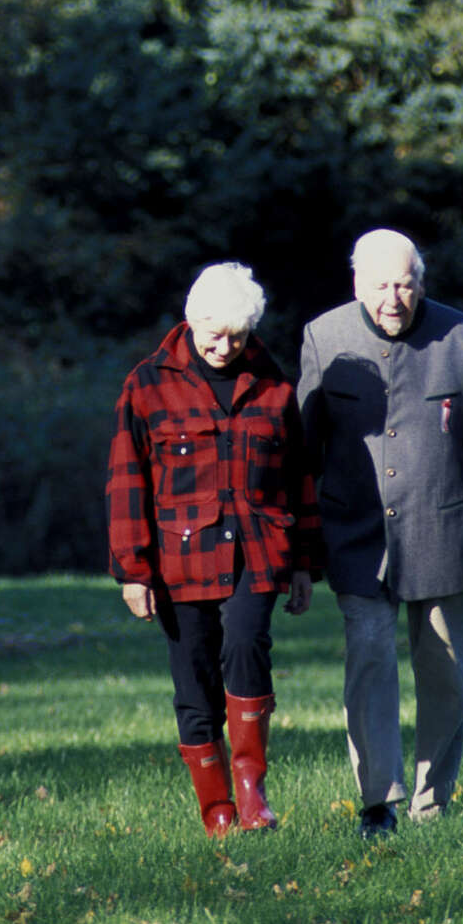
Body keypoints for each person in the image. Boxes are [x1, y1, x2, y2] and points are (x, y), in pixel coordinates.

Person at [297, 228, 463, 839]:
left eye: (405, 283)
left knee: (443, 670)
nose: (393, 297)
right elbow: (303, 448)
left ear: (421, 282)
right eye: (380, 285)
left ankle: (432, 800)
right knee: (369, 660)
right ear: (357, 284)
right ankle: (379, 802)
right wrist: (296, 539)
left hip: (445, 530)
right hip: (357, 535)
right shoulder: (324, 337)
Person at [106, 261, 321, 836]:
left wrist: (303, 562)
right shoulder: (146, 385)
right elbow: (127, 481)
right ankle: (217, 811)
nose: (224, 347)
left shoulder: (275, 387)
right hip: (180, 560)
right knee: (193, 681)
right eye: (213, 334)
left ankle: (251, 791)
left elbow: (299, 478)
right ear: (190, 319)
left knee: (249, 645)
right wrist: (134, 570)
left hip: (258, 550)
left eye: (238, 336)